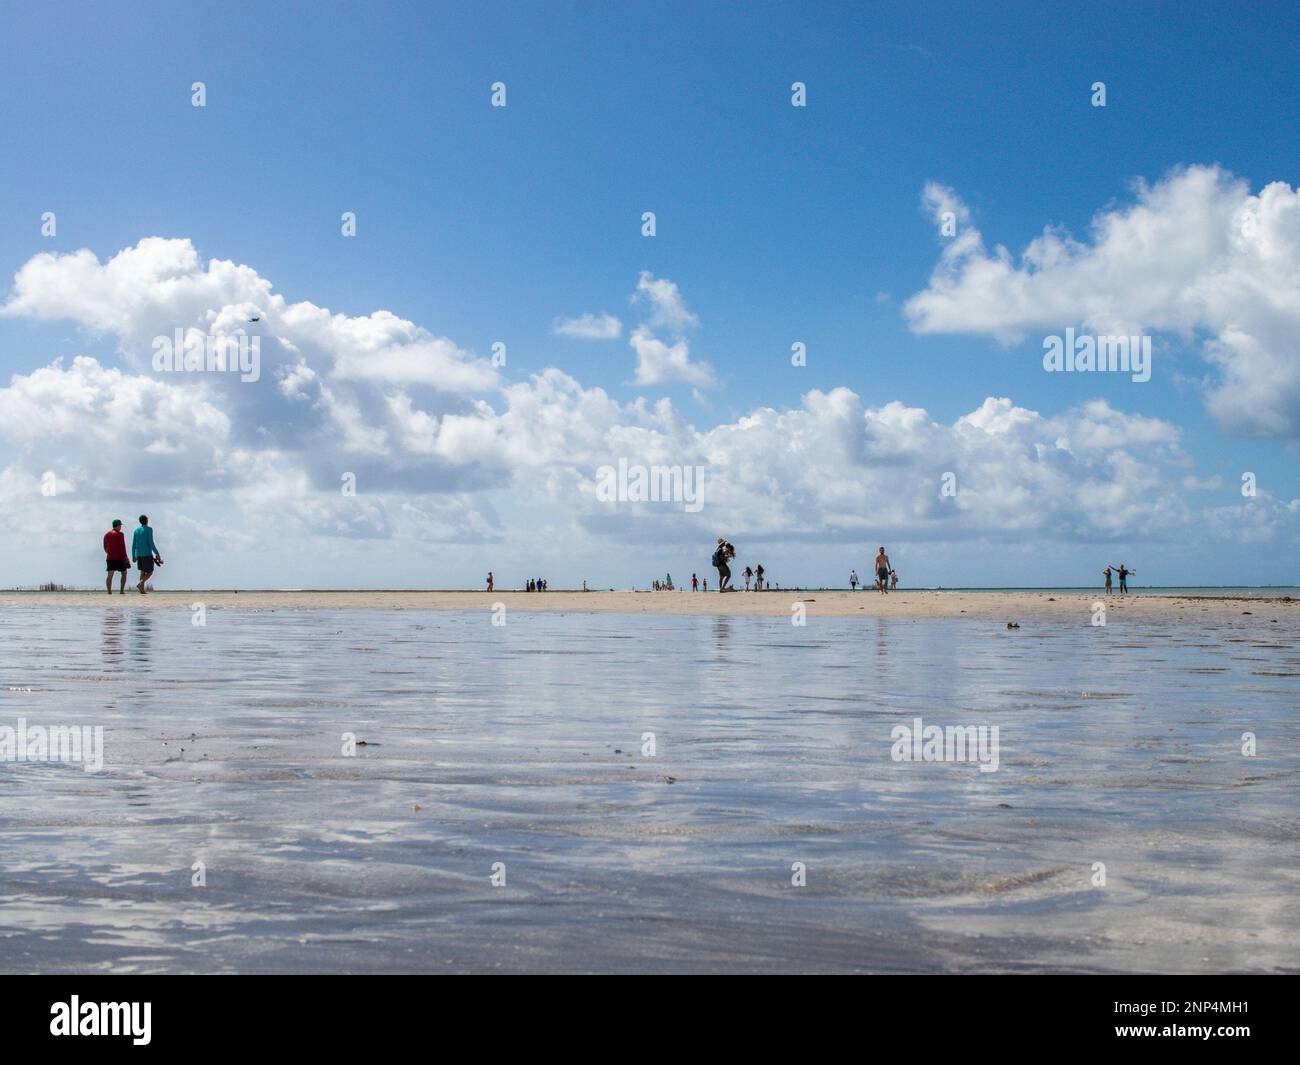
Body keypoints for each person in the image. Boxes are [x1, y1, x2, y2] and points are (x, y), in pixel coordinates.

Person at [131, 515, 163, 594]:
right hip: (147, 554)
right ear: (147, 520)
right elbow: (151, 543)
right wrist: (157, 553)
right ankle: (141, 583)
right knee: (150, 572)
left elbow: (133, 544)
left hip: (139, 554)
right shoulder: (149, 529)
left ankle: (142, 590)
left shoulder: (136, 531)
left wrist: (133, 556)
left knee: (142, 571)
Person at [103, 519, 130, 595]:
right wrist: (126, 557)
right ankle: (121, 590)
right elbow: (122, 547)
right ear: (118, 526)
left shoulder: (106, 534)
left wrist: (109, 553)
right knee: (124, 573)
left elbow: (104, 546)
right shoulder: (120, 534)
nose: (121, 527)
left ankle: (109, 591)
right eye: (120, 525)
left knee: (110, 575)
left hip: (110, 557)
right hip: (120, 558)